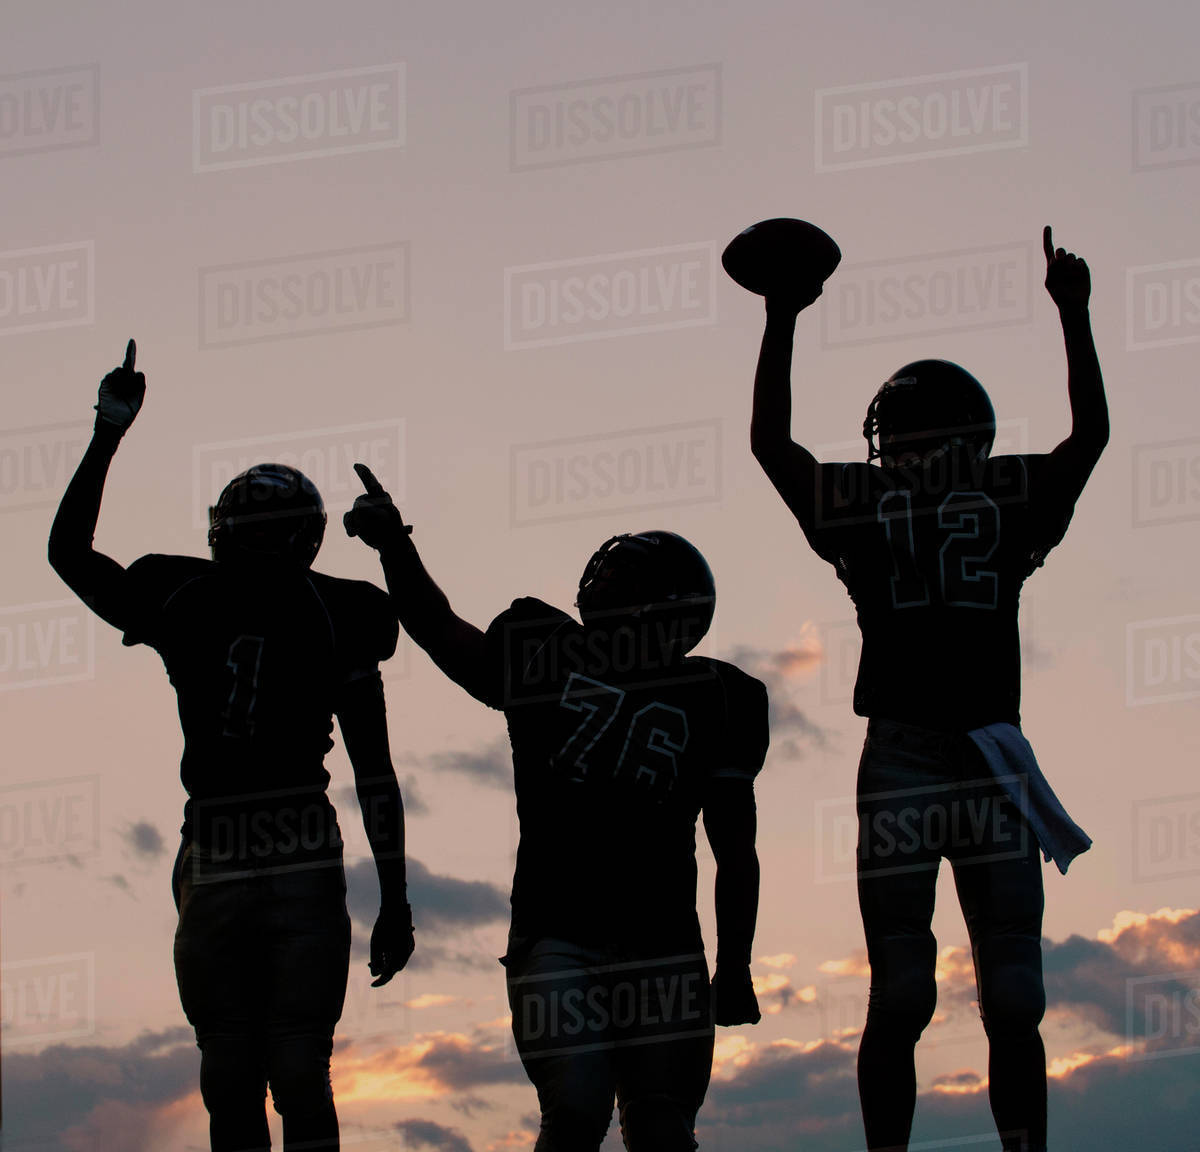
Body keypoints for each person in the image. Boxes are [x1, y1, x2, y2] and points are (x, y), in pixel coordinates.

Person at [748, 227, 1108, 1152]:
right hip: (989, 749)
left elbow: (769, 443)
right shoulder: (1010, 494)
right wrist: (1074, 312)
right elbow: (1091, 437)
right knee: (1014, 992)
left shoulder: (866, 505)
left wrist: (781, 315)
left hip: (909, 753)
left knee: (904, 986)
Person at [48, 342, 415, 1152]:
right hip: (298, 841)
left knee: (231, 1068)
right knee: (296, 1068)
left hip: (216, 841)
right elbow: (375, 776)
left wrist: (108, 432)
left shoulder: (184, 593)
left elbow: (68, 554)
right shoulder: (340, 611)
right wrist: (395, 894)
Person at [344, 468, 768, 1151]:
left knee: (661, 1128)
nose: (601, 586)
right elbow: (436, 628)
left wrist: (737, 963)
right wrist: (395, 544)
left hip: (662, 939)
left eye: (623, 580)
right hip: (557, 932)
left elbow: (735, 846)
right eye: (607, 574)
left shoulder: (718, 695)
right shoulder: (548, 645)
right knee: (575, 1111)